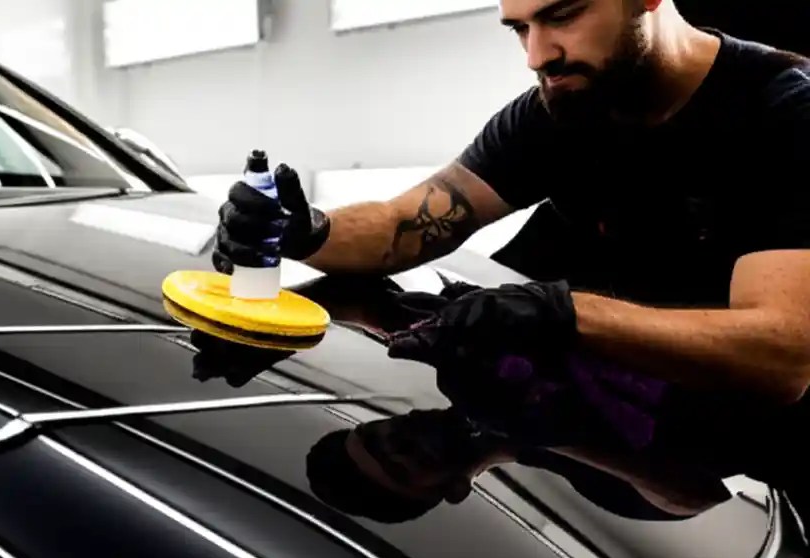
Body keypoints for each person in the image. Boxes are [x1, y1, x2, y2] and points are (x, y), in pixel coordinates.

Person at [211, 0, 810, 406]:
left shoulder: (784, 111)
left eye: (563, 17)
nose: (537, 56)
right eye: (520, 28)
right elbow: (410, 221)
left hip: (752, 479)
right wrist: (308, 231)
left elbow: (783, 357)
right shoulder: (563, 106)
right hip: (615, 419)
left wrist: (561, 314)